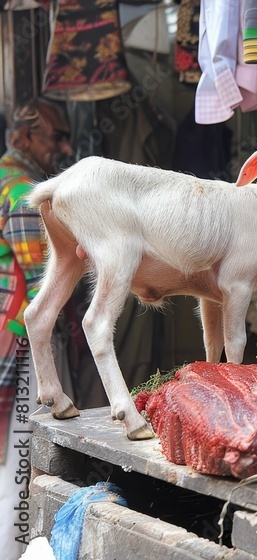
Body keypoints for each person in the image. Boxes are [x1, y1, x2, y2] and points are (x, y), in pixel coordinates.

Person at [0, 99, 73, 553]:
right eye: (56, 137)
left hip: (10, 333)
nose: (64, 147)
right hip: (25, 340)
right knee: (24, 460)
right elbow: (43, 275)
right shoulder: (23, 192)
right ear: (26, 138)